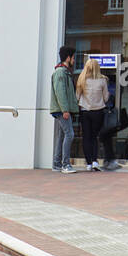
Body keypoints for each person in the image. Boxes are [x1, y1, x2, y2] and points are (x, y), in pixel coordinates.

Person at [77, 58, 110, 173]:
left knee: (86, 137)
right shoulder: (102, 80)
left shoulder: (81, 80)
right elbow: (106, 98)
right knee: (94, 136)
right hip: (98, 111)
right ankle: (95, 160)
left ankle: (89, 163)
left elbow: (77, 97)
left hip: (85, 111)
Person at [49, 46, 78, 174]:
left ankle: (56, 164)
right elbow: (60, 92)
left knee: (62, 135)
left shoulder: (64, 72)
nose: (74, 60)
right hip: (62, 110)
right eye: (73, 57)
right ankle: (65, 165)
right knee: (69, 134)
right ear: (68, 57)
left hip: (62, 110)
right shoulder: (60, 73)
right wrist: (65, 109)